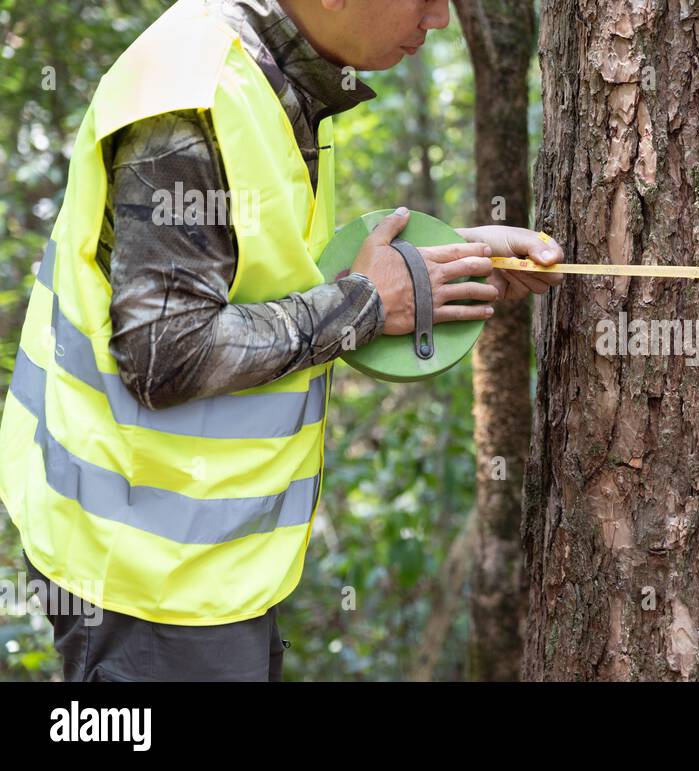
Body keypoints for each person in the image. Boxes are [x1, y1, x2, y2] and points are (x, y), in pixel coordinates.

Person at [0, 0, 562, 681]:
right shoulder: (193, 95)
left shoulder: (283, 75)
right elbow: (162, 352)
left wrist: (442, 265)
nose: (440, 18)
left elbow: (259, 275)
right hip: (146, 579)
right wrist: (363, 302)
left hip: (205, 569)